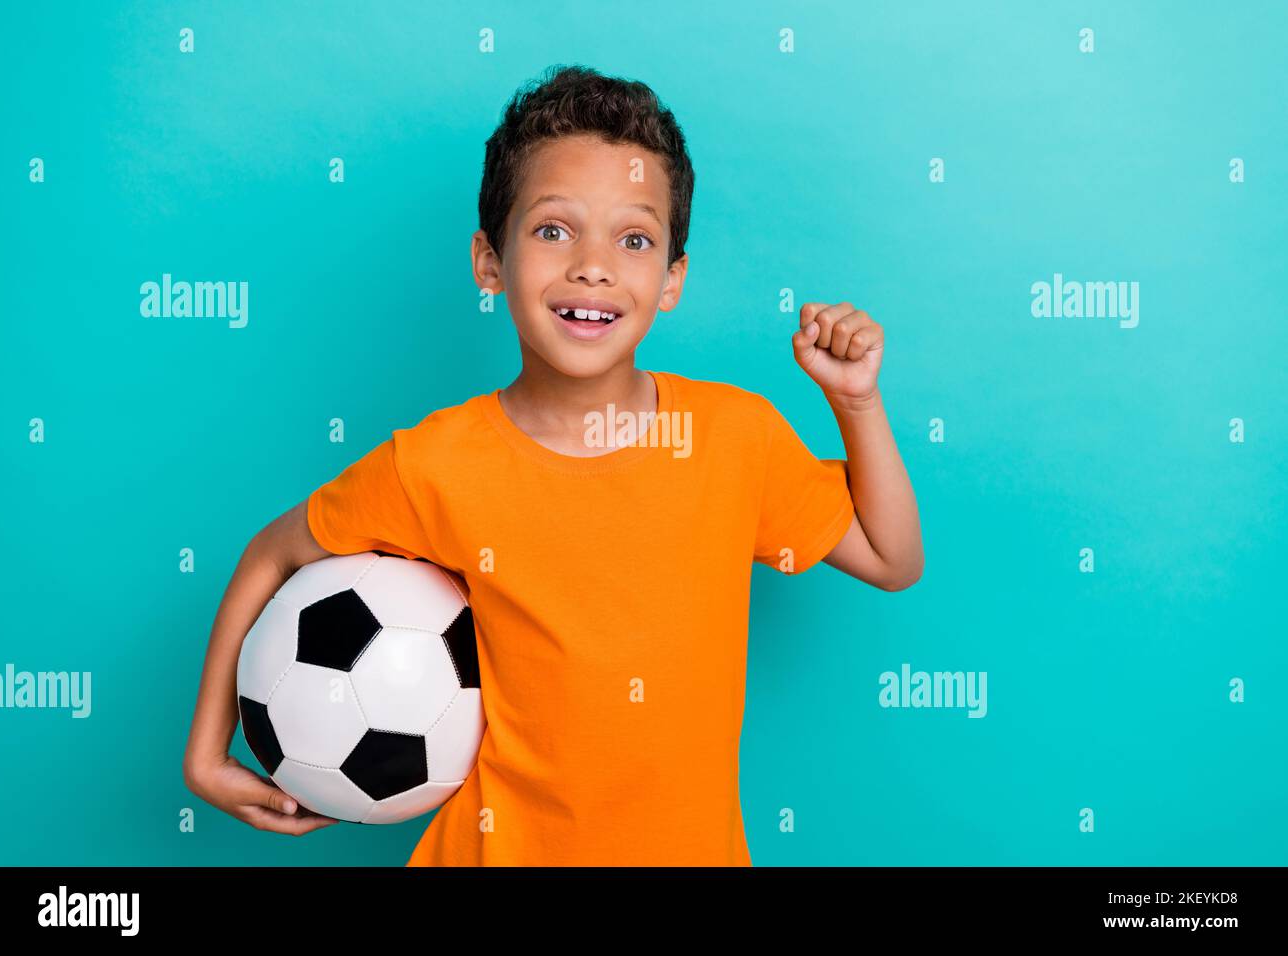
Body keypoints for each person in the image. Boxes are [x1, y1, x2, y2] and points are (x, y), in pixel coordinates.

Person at [183, 64, 923, 866]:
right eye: (552, 230)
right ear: (489, 261)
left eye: (634, 239)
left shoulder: (735, 438)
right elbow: (275, 551)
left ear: (672, 277)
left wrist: (856, 405)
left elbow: (892, 558)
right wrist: (205, 750)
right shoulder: (433, 464)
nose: (592, 267)